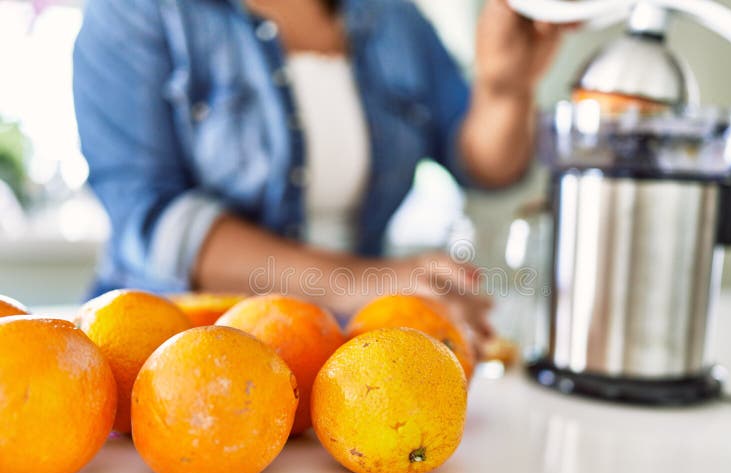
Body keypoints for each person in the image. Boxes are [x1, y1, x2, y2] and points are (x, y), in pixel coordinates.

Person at [73, 0, 569, 347]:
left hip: (336, 356)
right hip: (170, 355)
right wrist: (364, 282)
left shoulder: (394, 19)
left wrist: (504, 89)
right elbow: (153, 218)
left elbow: (485, 170)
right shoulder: (138, 11)